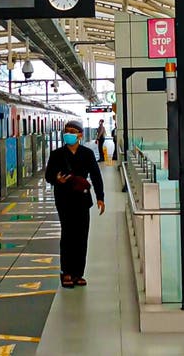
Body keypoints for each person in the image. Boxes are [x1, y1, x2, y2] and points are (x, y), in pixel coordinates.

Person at [45, 119, 105, 288]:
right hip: (63, 198)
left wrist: (100, 197)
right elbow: (49, 176)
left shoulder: (87, 154)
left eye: (72, 131)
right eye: (66, 131)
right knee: (68, 235)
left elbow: (95, 175)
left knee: (82, 235)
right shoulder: (57, 154)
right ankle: (66, 273)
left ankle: (78, 274)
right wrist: (57, 179)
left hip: (82, 198)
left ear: (79, 134)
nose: (68, 134)